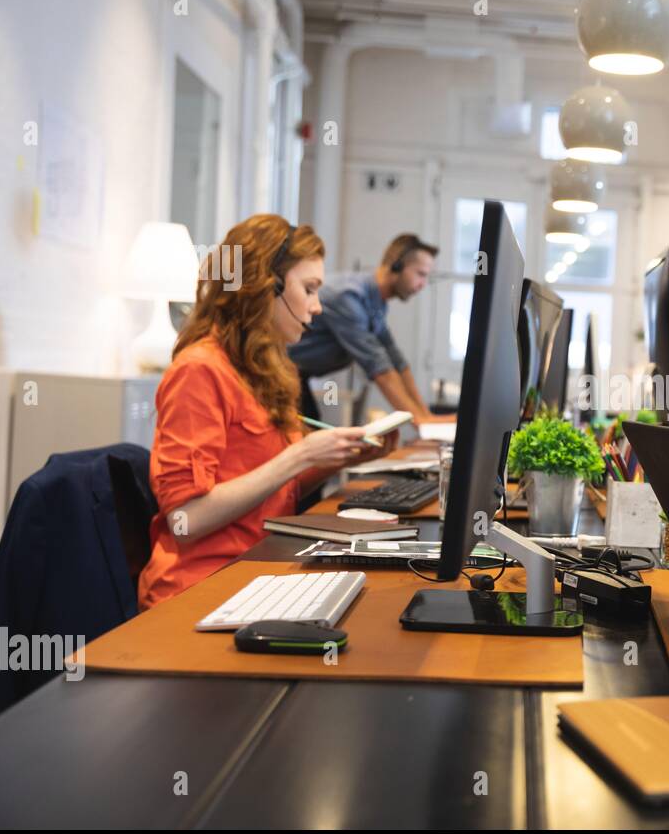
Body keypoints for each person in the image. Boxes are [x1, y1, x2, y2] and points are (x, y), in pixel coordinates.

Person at [137, 215, 396, 610]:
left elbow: (272, 491)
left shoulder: (265, 369)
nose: (316, 306)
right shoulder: (200, 370)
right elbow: (185, 521)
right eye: (309, 289)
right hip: (200, 590)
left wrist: (342, 458)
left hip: (255, 573)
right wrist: (300, 455)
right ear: (266, 287)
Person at [289, 233, 451, 428]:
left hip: (295, 375)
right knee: (305, 439)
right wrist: (419, 421)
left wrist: (426, 416)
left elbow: (396, 361)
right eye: (421, 274)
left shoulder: (376, 303)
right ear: (396, 265)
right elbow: (378, 366)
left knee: (312, 434)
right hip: (274, 370)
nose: (423, 285)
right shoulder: (349, 296)